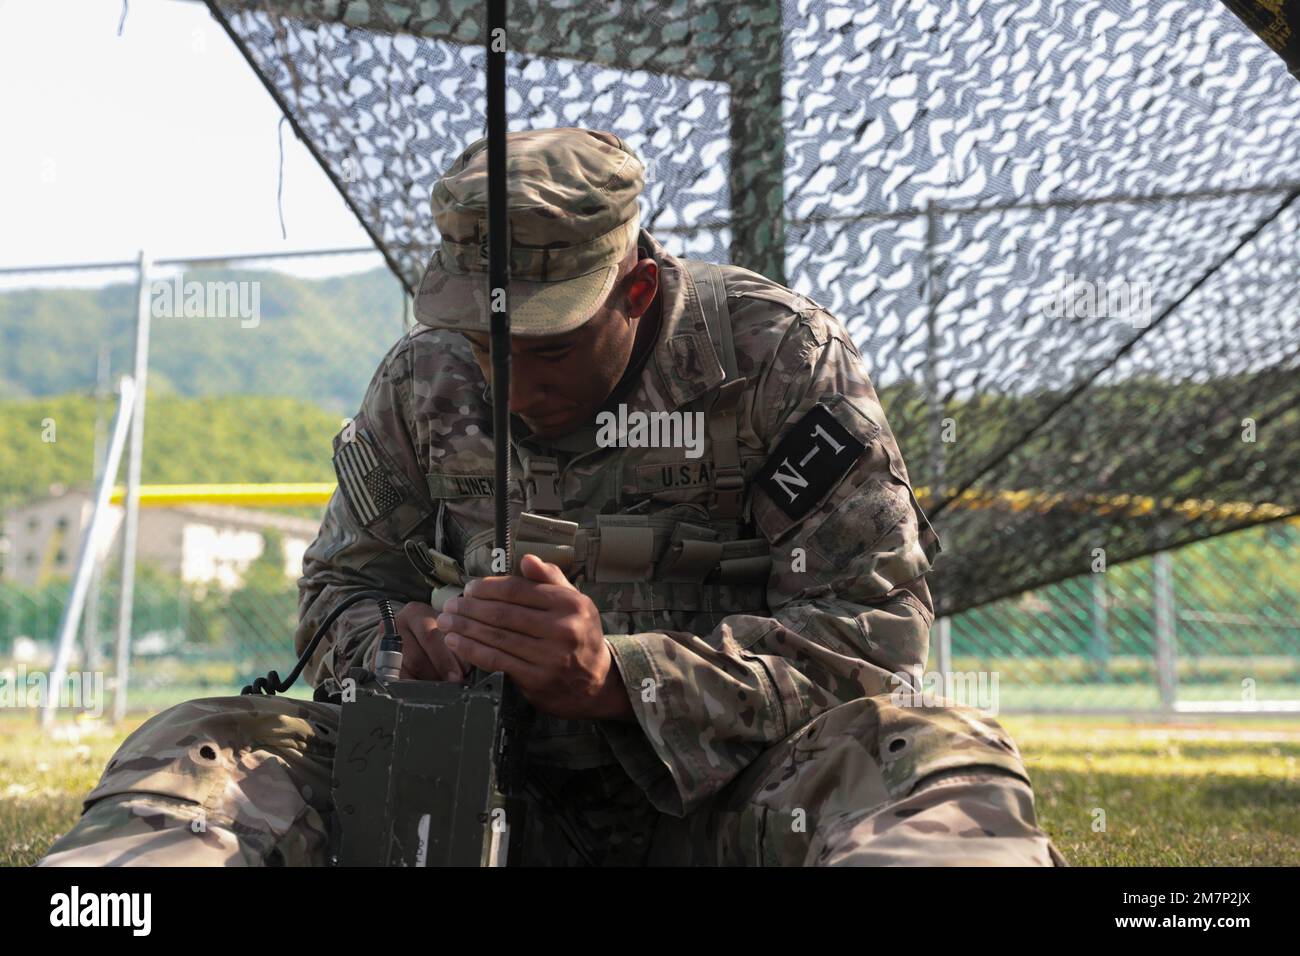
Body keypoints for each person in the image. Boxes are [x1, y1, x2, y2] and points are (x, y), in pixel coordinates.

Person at [39, 127, 1064, 866]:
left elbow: (872, 631)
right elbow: (346, 583)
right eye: (484, 344)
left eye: (548, 344)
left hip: (723, 803)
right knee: (202, 743)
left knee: (928, 752)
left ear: (637, 290)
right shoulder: (420, 379)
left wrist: (621, 677)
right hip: (460, 799)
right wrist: (399, 651)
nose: (509, 381)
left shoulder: (773, 360)